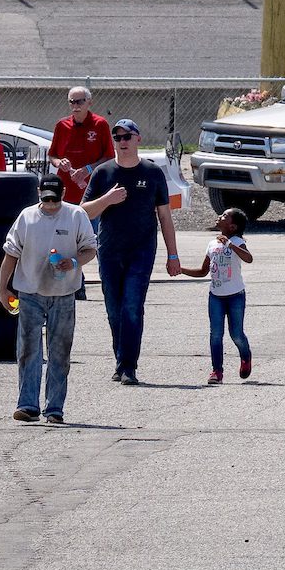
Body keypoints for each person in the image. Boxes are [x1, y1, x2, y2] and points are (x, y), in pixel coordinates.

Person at [81, 118, 176, 384]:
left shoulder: (152, 172)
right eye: (117, 137)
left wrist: (173, 255)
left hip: (142, 250)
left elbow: (165, 217)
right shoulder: (103, 173)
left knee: (132, 306)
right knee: (114, 309)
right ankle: (121, 359)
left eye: (127, 136)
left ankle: (128, 366)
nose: (122, 142)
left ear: (138, 139)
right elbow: (83, 212)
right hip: (110, 250)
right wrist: (107, 200)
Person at [0, 172, 97, 424]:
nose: (51, 204)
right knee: (28, 350)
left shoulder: (76, 215)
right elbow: (11, 253)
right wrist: (2, 288)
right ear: (39, 194)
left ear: (63, 194)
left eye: (55, 199)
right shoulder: (27, 217)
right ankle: (28, 404)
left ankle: (54, 408)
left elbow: (90, 249)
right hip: (29, 291)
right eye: (46, 199)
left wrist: (73, 262)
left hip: (63, 294)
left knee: (60, 352)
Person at [180, 208, 254, 384]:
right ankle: (217, 372)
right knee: (215, 334)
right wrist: (180, 270)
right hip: (215, 296)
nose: (219, 217)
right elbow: (202, 271)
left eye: (224, 216)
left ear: (232, 226)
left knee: (236, 334)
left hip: (235, 296)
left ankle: (245, 355)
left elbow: (249, 258)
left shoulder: (236, 241)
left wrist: (229, 244)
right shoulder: (212, 244)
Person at [50, 87, 113, 204]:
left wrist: (88, 169)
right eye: (72, 102)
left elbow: (109, 157)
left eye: (80, 101)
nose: (75, 105)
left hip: (93, 191)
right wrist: (60, 163)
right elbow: (52, 155)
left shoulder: (100, 124)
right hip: (66, 192)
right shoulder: (62, 125)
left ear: (89, 102)